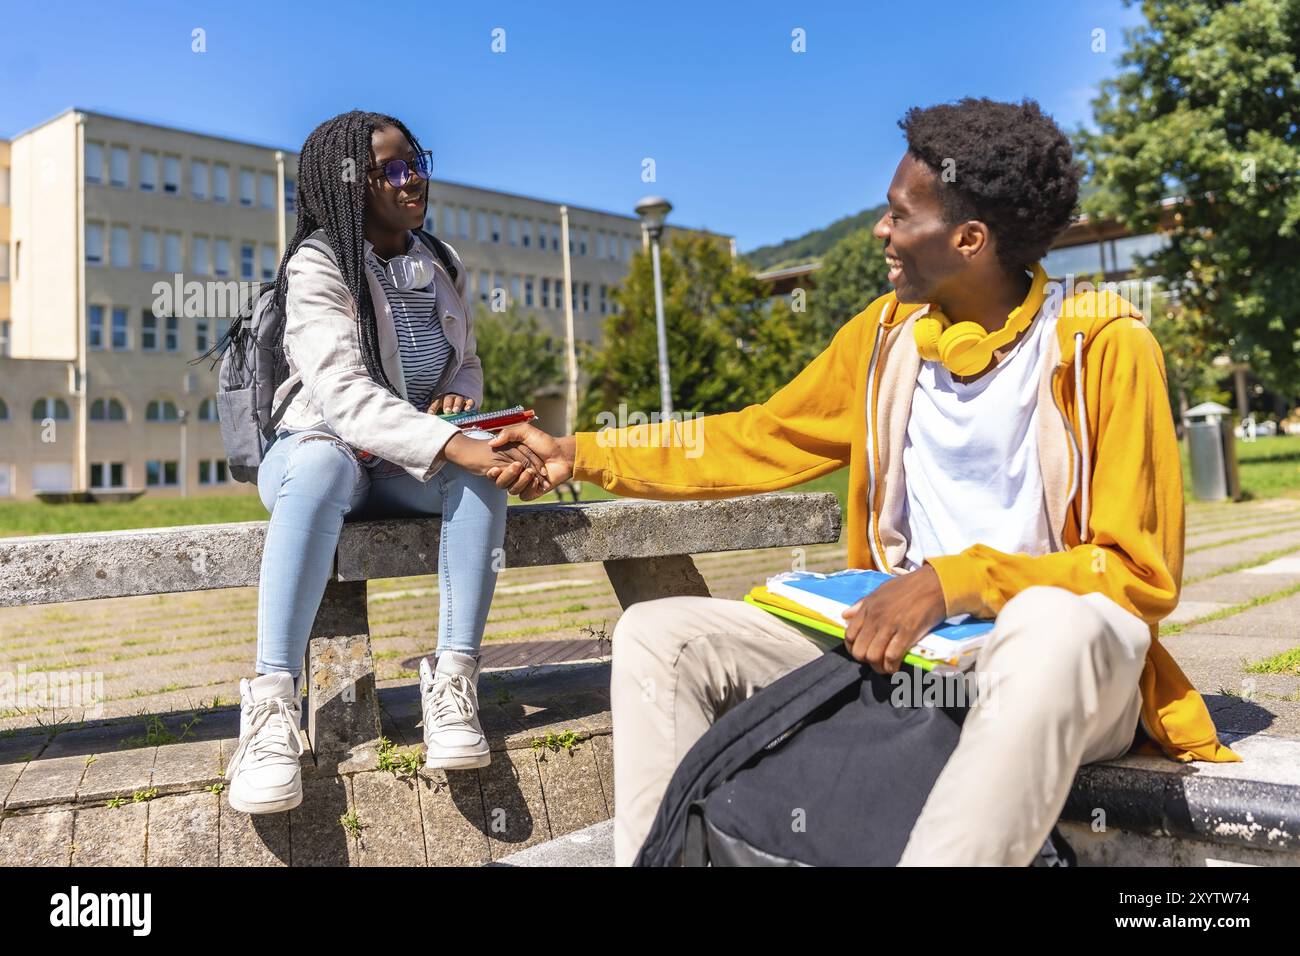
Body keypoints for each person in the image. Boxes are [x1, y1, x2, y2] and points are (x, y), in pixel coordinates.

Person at [489, 98, 1239, 866]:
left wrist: (956, 582)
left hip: (1063, 667)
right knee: (660, 637)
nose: (881, 232)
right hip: (905, 654)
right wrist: (576, 454)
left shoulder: (1104, 344)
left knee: (1054, 627)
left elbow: (1137, 576)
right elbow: (759, 436)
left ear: (969, 239)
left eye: (898, 215)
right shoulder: (885, 338)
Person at [225, 111, 547, 815]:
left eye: (417, 161)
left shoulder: (439, 258)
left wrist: (462, 404)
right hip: (315, 450)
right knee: (322, 468)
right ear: (349, 184)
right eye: (393, 169)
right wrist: (453, 441)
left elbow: (464, 361)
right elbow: (341, 396)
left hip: (402, 464)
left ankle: (455, 680)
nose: (414, 178)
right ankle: (272, 707)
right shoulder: (318, 264)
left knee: (482, 468)